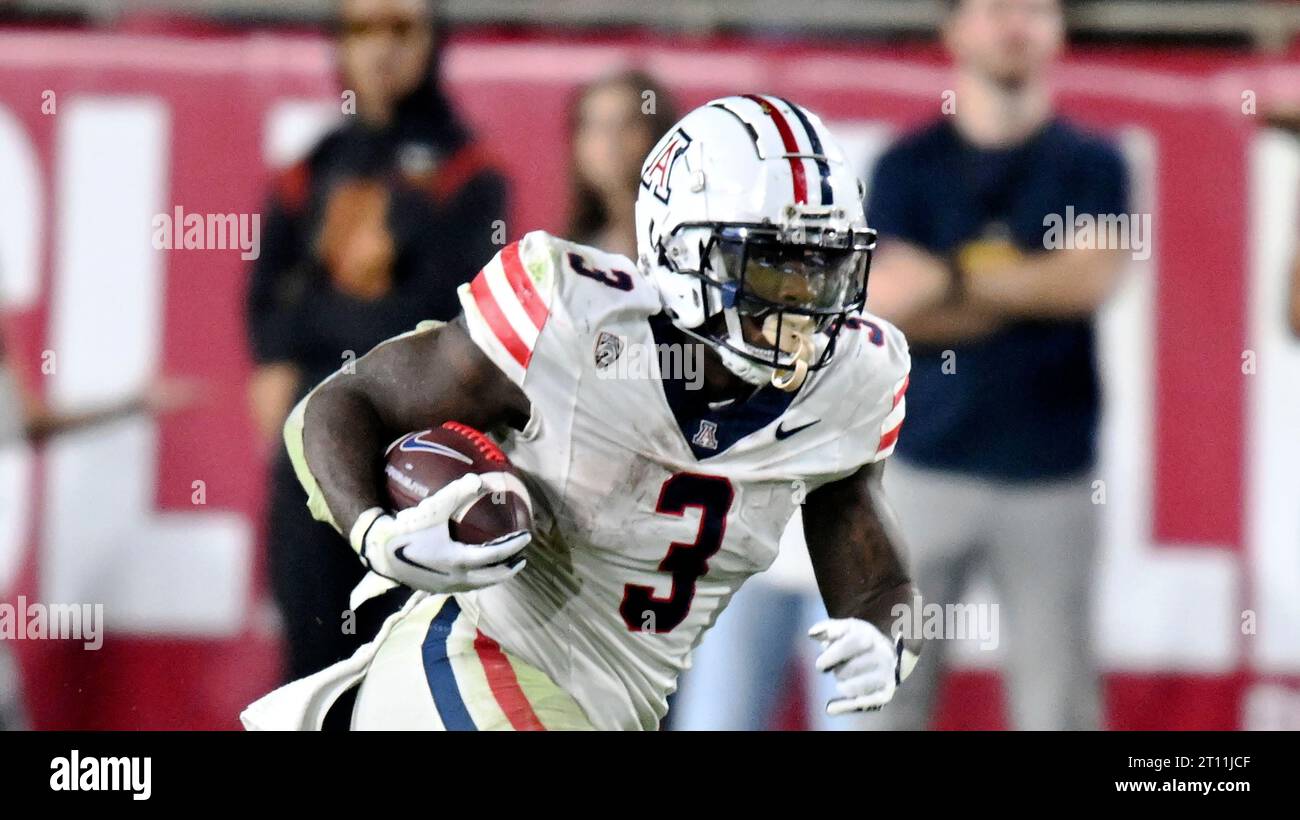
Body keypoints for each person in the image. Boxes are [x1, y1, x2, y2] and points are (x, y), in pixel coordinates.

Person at [242, 95, 920, 731]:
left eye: (824, 269)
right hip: (471, 661)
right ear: (683, 248)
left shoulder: (852, 381)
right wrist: (374, 532)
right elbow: (342, 402)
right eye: (775, 269)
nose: (802, 303)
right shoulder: (569, 318)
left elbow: (869, 560)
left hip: (602, 710)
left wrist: (884, 638)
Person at [862, 0, 1130, 730]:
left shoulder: (1092, 163)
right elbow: (885, 302)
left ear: (1058, 30)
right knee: (888, 701)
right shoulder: (906, 165)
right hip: (921, 473)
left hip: (1052, 479)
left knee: (1059, 707)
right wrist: (1028, 281)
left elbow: (1087, 283)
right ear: (955, 30)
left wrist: (948, 276)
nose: (1013, 24)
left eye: (1033, 8)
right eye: (993, 8)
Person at [245, 0, 508, 682]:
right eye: (362, 29)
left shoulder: (470, 174)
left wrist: (308, 335)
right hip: (312, 455)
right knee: (308, 662)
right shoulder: (314, 167)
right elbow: (265, 300)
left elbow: (445, 319)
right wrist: (282, 355)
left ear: (432, 41)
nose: (381, 49)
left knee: (403, 667)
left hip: (413, 457)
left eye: (400, 29)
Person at [566, 70, 677, 258]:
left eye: (628, 123)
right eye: (597, 125)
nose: (611, 141)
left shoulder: (688, 246)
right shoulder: (569, 256)